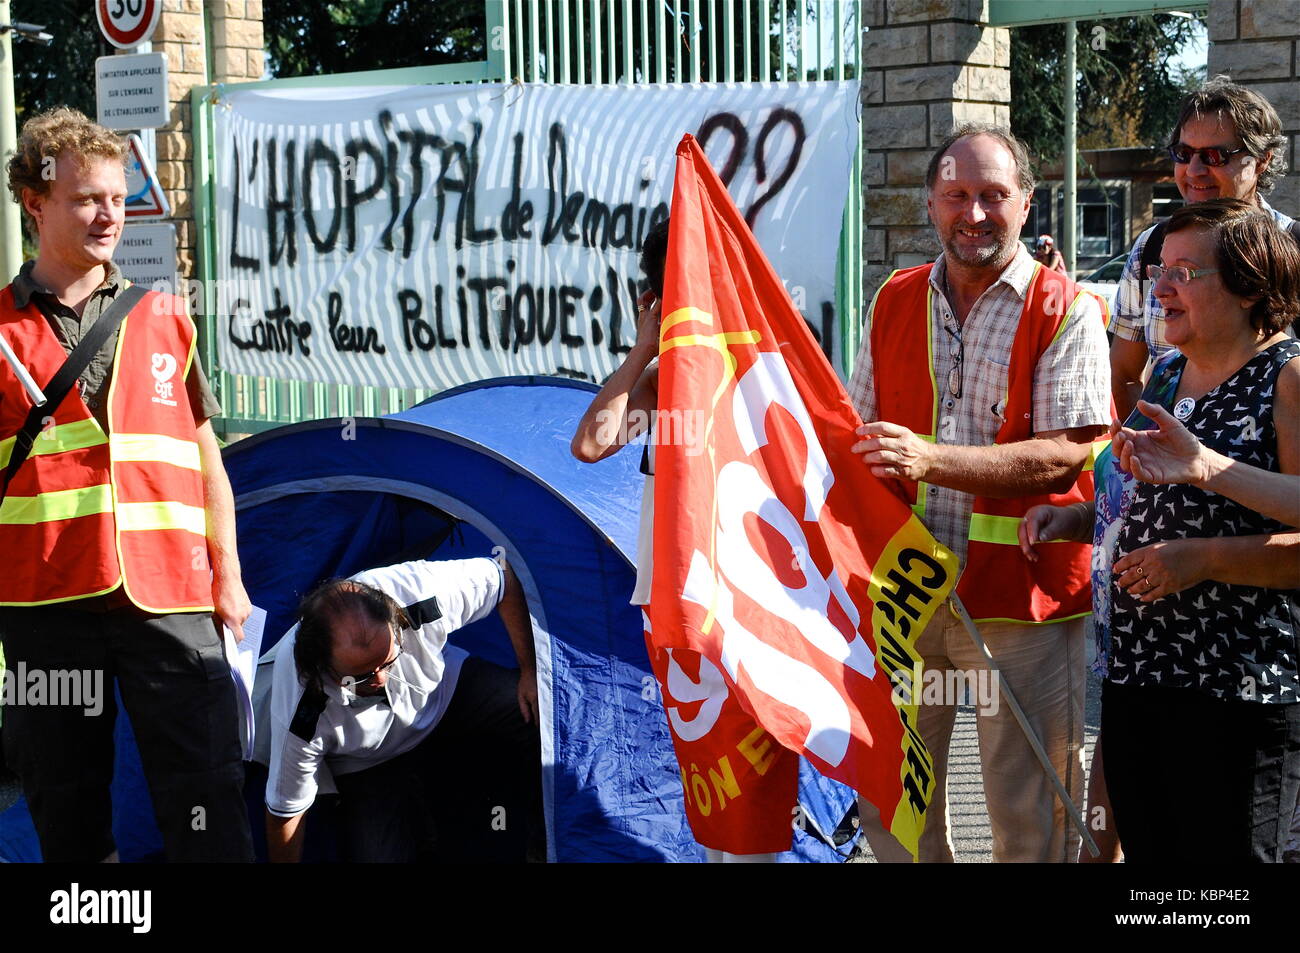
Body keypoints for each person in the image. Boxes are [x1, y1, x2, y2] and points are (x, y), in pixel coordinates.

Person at [848, 124, 1111, 863]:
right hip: (906, 595)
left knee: (1028, 814)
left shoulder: (1067, 308)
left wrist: (930, 459)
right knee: (898, 800)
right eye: (956, 194)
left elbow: (1064, 457)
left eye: (994, 195)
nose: (974, 213)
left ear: (1027, 203)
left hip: (1023, 602)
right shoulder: (894, 298)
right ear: (929, 204)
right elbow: (863, 439)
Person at [0, 108, 253, 862]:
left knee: (207, 793)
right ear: (35, 202)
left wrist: (229, 575)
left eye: (116, 197)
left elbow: (205, 454)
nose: (108, 213)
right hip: (44, 602)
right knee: (66, 805)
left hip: (172, 595)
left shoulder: (169, 316)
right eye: (86, 198)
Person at [1021, 199, 1300, 862]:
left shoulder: (1286, 377)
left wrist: (1204, 550)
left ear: (1249, 286)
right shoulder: (1165, 372)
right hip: (1140, 678)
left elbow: (1222, 503)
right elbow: (1143, 499)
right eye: (1159, 269)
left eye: (1185, 271)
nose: (1161, 286)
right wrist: (1079, 517)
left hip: (1241, 691)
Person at [263, 556, 542, 863]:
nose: (381, 680)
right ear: (323, 668)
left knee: (538, 712)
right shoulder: (302, 706)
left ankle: (544, 834)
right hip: (367, 762)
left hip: (445, 694)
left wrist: (529, 670)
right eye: (362, 676)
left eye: (387, 661)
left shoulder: (418, 592)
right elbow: (287, 809)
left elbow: (503, 576)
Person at [1110, 77, 1296, 421]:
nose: (1194, 171)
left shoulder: (1293, 248)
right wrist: (1153, 445)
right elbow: (1122, 373)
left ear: (1262, 160)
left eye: (1215, 155)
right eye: (1184, 153)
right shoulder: (1151, 248)